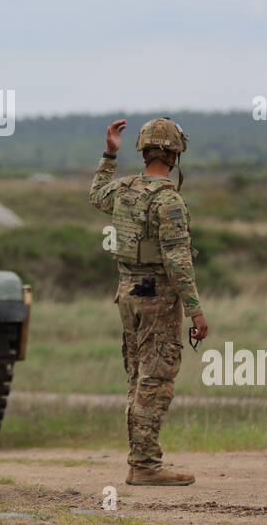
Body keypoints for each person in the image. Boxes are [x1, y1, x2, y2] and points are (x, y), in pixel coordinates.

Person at [89, 117, 209, 486]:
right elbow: (177, 259)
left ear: (143, 152)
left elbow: (96, 195)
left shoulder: (124, 189)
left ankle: (141, 459)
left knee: (139, 376)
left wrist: (110, 154)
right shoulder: (168, 201)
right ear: (175, 155)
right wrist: (196, 310)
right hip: (157, 296)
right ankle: (144, 464)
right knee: (156, 379)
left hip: (127, 292)